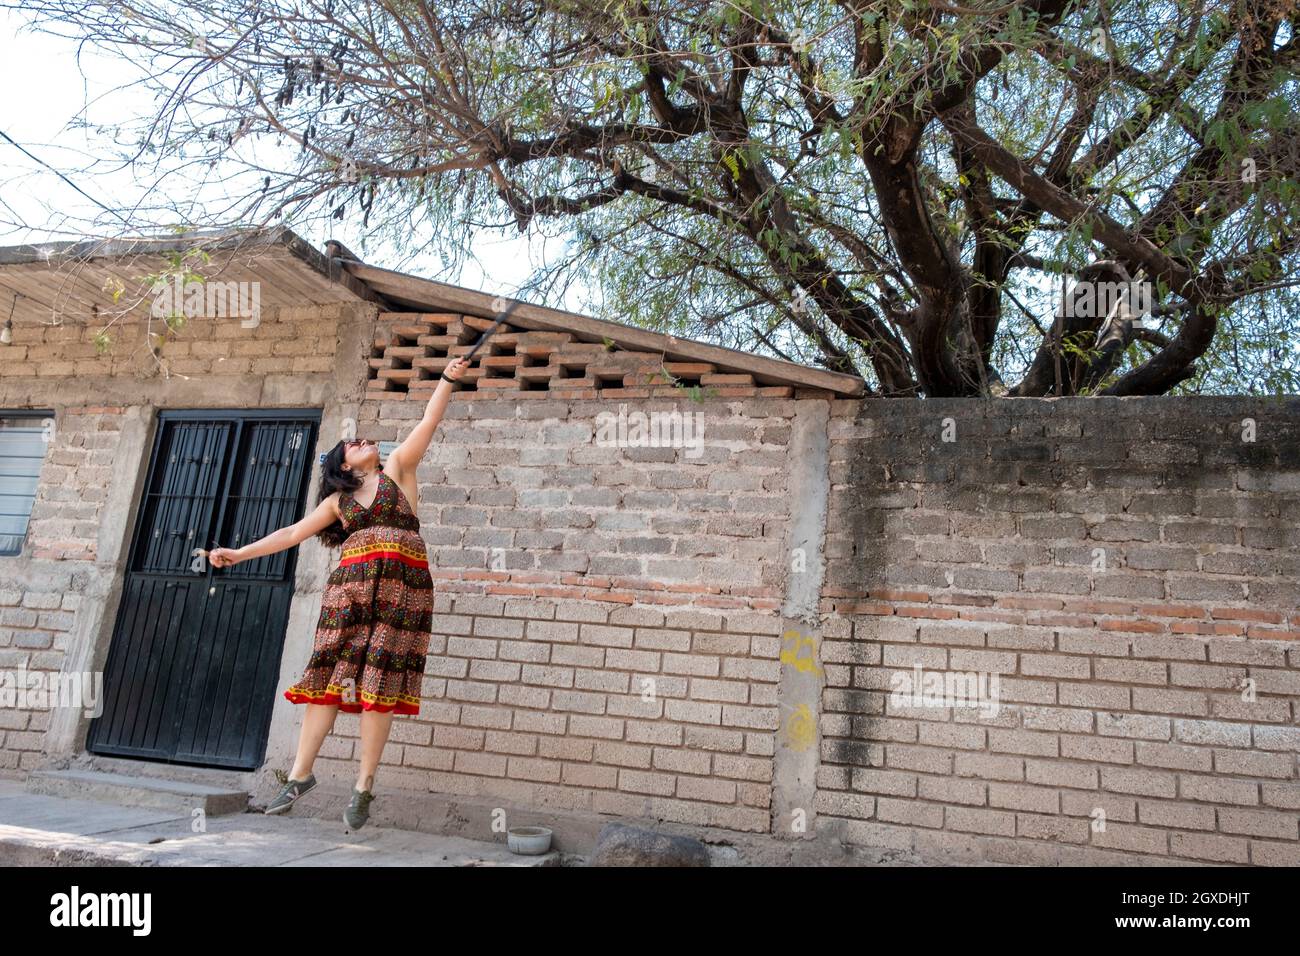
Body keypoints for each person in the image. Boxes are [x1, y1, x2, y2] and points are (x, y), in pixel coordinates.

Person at [208, 355, 471, 829]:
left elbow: (429, 419)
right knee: (329, 682)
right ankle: (299, 775)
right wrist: (239, 552)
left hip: (403, 597)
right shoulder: (336, 502)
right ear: (342, 464)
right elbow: (291, 534)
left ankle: (363, 787)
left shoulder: (398, 470)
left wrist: (447, 379)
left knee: (378, 687)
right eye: (352, 443)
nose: (363, 440)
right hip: (347, 597)